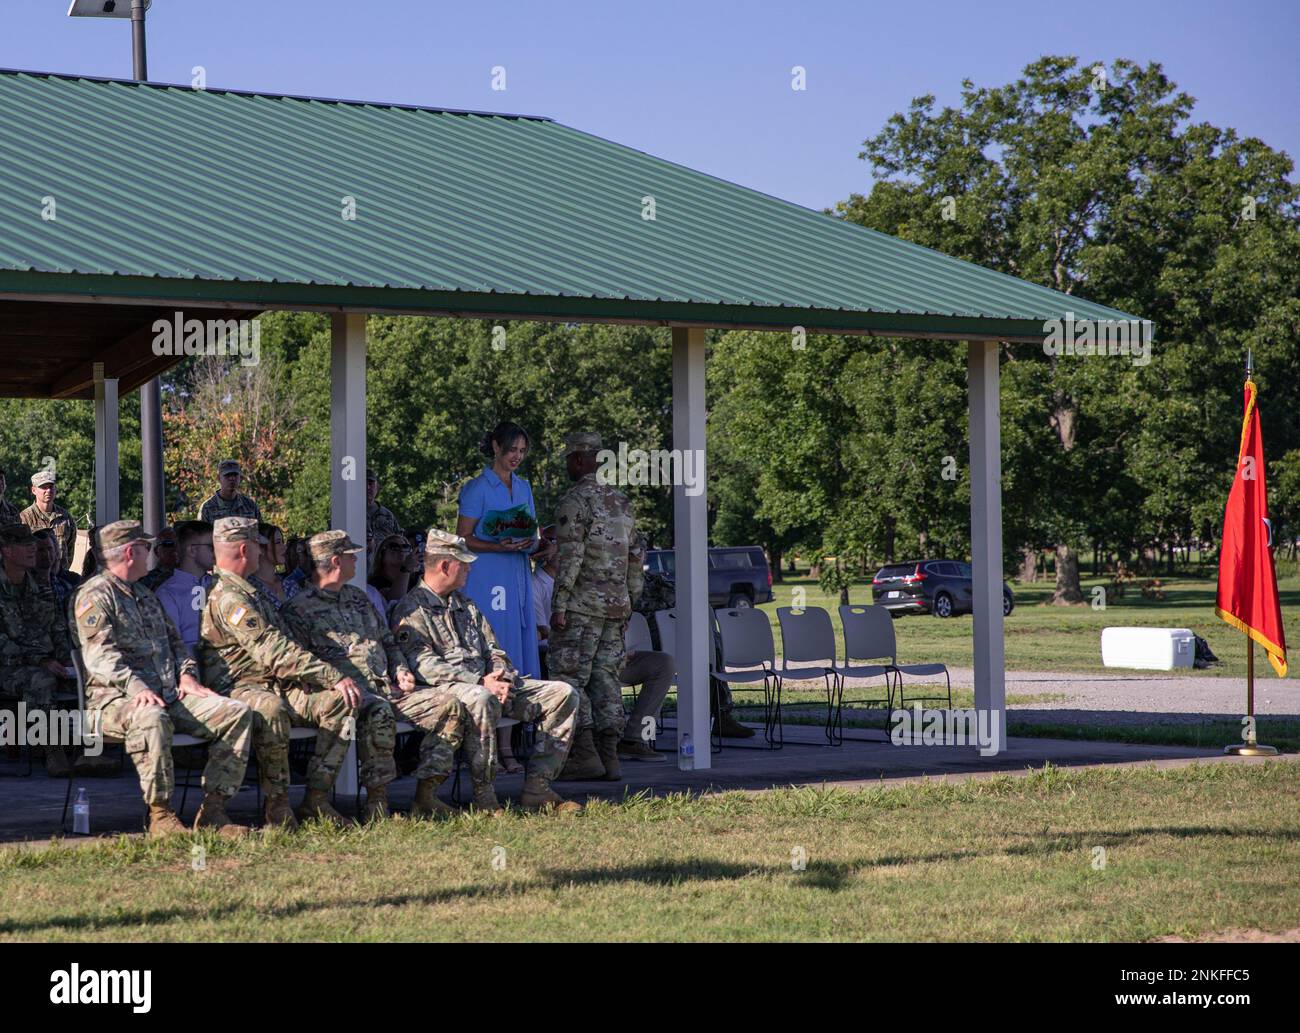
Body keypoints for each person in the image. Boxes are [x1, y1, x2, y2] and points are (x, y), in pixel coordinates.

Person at [71, 520, 254, 838]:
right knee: (151, 717)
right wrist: (136, 687)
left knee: (234, 712)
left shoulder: (145, 594)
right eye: (146, 548)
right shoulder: (94, 596)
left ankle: (213, 810)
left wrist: (187, 675)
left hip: (167, 693)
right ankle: (161, 815)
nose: (151, 554)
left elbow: (177, 644)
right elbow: (100, 657)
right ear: (130, 552)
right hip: (113, 701)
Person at [197, 517, 376, 827]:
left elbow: (285, 643)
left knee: (341, 701)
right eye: (258, 546)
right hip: (240, 686)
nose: (262, 553)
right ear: (244, 549)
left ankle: (315, 800)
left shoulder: (249, 590)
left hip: (274, 682)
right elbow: (272, 650)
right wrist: (329, 675)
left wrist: (308, 678)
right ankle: (273, 805)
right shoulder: (230, 597)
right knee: (271, 708)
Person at [391, 529, 581, 814]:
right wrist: (481, 681)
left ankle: (537, 788)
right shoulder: (411, 609)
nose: (469, 568)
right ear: (444, 565)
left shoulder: (465, 606)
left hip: (491, 686)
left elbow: (494, 649)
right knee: (480, 698)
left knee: (563, 694)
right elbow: (424, 665)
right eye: (463, 563)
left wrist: (501, 676)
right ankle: (485, 796)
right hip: (447, 691)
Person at [283, 530, 463, 820]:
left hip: (387, 688)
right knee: (379, 712)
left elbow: (387, 640)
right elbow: (299, 662)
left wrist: (400, 669)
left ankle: (426, 796)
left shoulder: (359, 598)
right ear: (335, 561)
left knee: (449, 705)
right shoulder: (298, 609)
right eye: (351, 556)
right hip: (347, 695)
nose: (358, 560)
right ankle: (375, 803)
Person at [549, 432, 643, 782]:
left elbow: (570, 558)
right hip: (615, 609)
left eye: (568, 460)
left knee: (570, 677)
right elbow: (636, 556)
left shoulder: (575, 501)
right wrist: (629, 599)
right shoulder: (621, 502)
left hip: (581, 607)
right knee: (606, 678)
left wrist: (559, 605)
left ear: (578, 460)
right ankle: (611, 758)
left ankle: (584, 753)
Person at [456, 423, 553, 682]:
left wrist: (538, 546)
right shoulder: (476, 488)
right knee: (496, 640)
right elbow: (462, 538)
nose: (517, 456)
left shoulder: (524, 487)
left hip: (518, 575)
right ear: (496, 447)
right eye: (512, 449)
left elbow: (531, 532)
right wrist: (497, 546)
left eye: (522, 451)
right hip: (487, 578)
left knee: (522, 641)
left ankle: (523, 713)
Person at [0, 524, 75, 775]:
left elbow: (58, 628)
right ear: (7, 551)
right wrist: (41, 660)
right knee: (40, 681)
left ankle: (90, 750)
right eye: (25, 545)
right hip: (8, 666)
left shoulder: (40, 585)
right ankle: (53, 750)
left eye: (33, 544)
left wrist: (67, 661)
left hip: (44, 661)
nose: (33, 549)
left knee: (85, 679)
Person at [155, 520, 214, 658]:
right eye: (211, 546)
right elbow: (170, 646)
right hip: (189, 670)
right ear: (192, 550)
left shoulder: (219, 584)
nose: (216, 552)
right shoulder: (168, 593)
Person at [20, 470, 76, 573]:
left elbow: (70, 550)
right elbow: (21, 552)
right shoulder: (25, 518)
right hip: (35, 577)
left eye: (51, 487)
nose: (48, 490)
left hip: (61, 575)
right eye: (43, 487)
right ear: (33, 490)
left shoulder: (65, 517)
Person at [367, 532, 418, 621]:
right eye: (394, 547)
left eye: (405, 547)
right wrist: (406, 569)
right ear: (382, 555)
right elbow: (394, 601)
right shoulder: (376, 582)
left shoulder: (415, 580)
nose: (401, 550)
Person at [199, 460, 262, 524]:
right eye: (227, 475)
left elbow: (261, 532)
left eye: (235, 475)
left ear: (240, 477)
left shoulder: (250, 506)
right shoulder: (207, 508)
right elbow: (202, 533)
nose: (232, 478)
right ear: (218, 478)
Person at [256, 522, 298, 605]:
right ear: (261, 548)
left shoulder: (289, 584)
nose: (284, 547)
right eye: (278, 542)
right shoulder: (251, 586)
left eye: (282, 542)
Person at [366, 469, 403, 542]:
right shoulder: (352, 512)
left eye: (371, 484)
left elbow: (398, 539)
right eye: (364, 484)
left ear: (377, 487)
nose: (368, 487)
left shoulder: (387, 515)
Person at [139, 526, 178, 592]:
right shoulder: (145, 581)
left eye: (178, 543)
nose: (175, 548)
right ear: (156, 551)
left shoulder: (193, 576)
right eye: (168, 544)